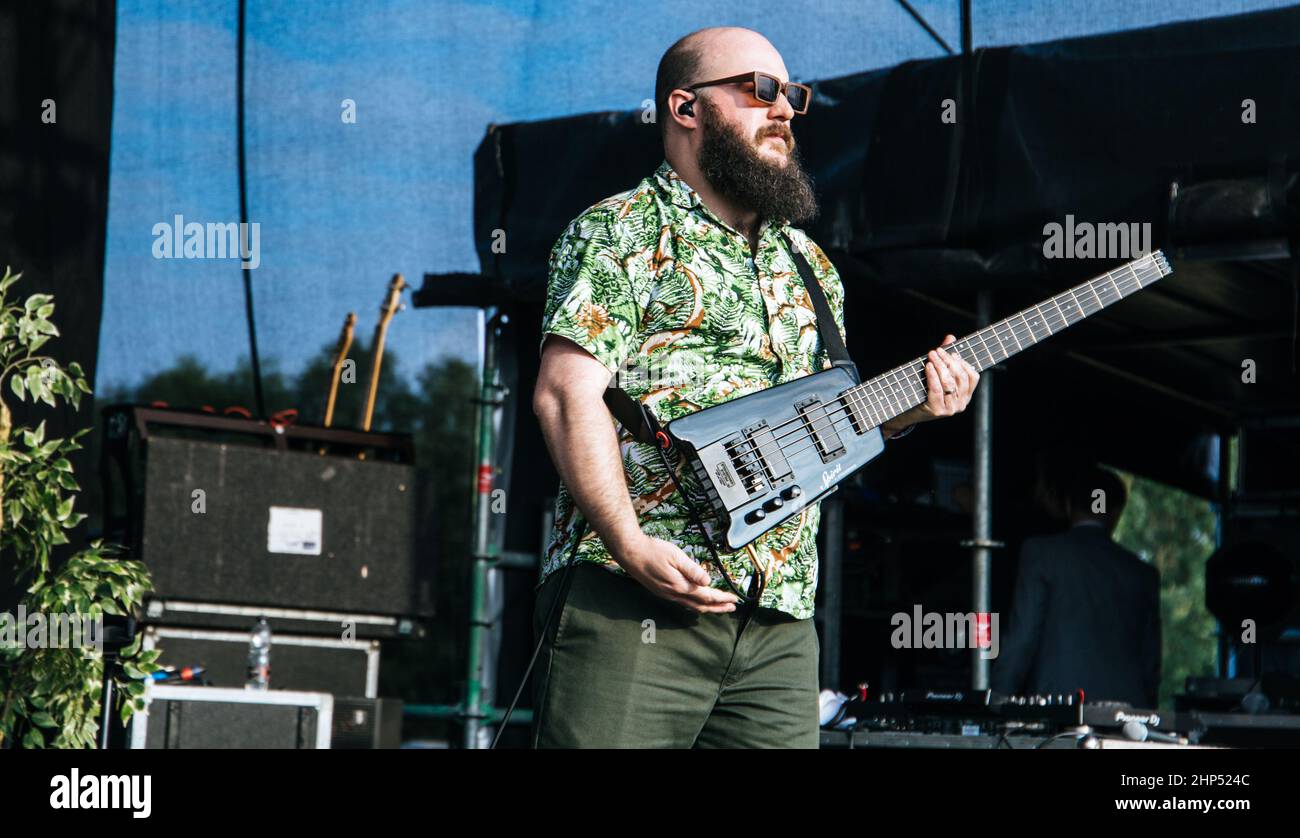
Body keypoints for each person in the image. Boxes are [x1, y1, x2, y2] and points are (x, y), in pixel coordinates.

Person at [531, 26, 980, 748]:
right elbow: (565, 393)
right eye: (759, 89)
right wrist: (627, 541)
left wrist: (913, 412)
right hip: (632, 599)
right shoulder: (618, 231)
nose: (785, 111)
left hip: (779, 621)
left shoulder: (811, 265)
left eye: (793, 96)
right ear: (686, 108)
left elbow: (824, 428)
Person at [992, 465, 1162, 707]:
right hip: (1127, 715)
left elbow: (1022, 637)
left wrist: (996, 701)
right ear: (1116, 513)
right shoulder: (1143, 574)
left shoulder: (1041, 554)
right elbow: (1150, 664)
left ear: (1069, 507)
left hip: (1058, 710)